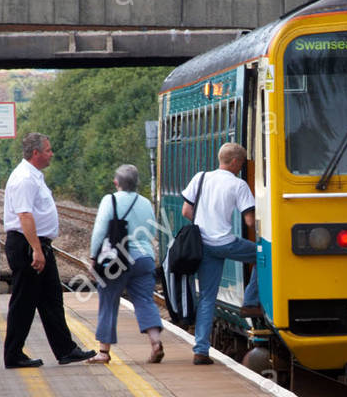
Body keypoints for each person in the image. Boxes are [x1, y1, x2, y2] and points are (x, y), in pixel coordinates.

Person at [2, 132, 95, 368]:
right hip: (27, 245)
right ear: (36, 153)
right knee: (24, 302)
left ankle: (66, 350)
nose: (51, 153)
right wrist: (36, 250)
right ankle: (13, 355)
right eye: (48, 150)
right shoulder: (24, 178)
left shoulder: (34, 176)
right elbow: (24, 215)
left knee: (51, 299)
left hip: (38, 244)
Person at [181, 142, 260, 365]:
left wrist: (205, 226)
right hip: (225, 243)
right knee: (262, 256)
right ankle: (251, 301)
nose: (241, 167)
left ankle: (200, 351)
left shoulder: (201, 177)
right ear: (235, 162)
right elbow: (250, 221)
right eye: (242, 163)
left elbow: (186, 211)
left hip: (203, 245)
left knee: (207, 297)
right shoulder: (239, 185)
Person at [86, 165, 165, 365]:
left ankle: (104, 352)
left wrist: (93, 257)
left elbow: (99, 231)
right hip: (144, 258)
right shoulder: (146, 202)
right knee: (145, 300)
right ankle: (155, 342)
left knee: (108, 301)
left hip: (116, 260)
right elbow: (152, 231)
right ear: (137, 183)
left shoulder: (109, 200)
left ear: (116, 182)